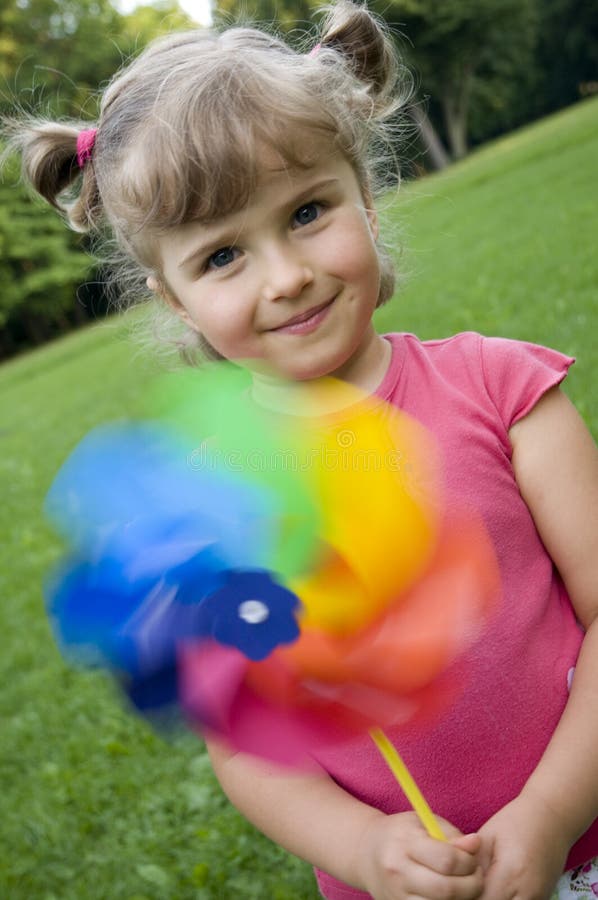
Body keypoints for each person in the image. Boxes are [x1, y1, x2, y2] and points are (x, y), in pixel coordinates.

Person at [4, 2, 598, 897]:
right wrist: (365, 849)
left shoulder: (504, 392)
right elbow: (252, 752)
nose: (287, 277)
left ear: (366, 198)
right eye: (221, 258)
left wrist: (551, 813)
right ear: (173, 300)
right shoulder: (207, 511)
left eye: (309, 211)